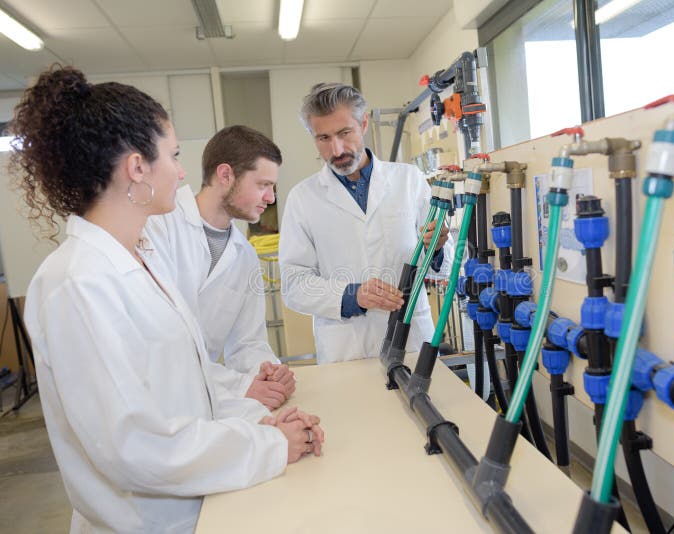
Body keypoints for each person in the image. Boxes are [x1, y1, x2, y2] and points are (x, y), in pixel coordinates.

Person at [12, 65, 324, 533]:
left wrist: (262, 421)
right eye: (173, 155)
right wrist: (270, 446)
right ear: (137, 167)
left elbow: (187, 389)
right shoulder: (77, 283)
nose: (181, 172)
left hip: (191, 504)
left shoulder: (141, 261)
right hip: (143, 522)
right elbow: (134, 446)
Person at [279, 82, 453, 364]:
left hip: (411, 339)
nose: (336, 149)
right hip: (344, 348)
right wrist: (353, 296)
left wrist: (438, 247)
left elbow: (446, 268)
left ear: (364, 123)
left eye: (344, 133)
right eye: (323, 138)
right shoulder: (302, 198)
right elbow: (294, 285)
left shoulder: (409, 180)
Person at [145, 126, 295, 409]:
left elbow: (247, 343)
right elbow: (163, 343)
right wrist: (240, 386)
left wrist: (268, 372)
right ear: (225, 175)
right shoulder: (157, 227)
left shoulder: (245, 255)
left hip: (206, 400)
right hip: (155, 401)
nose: (271, 198)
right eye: (263, 185)